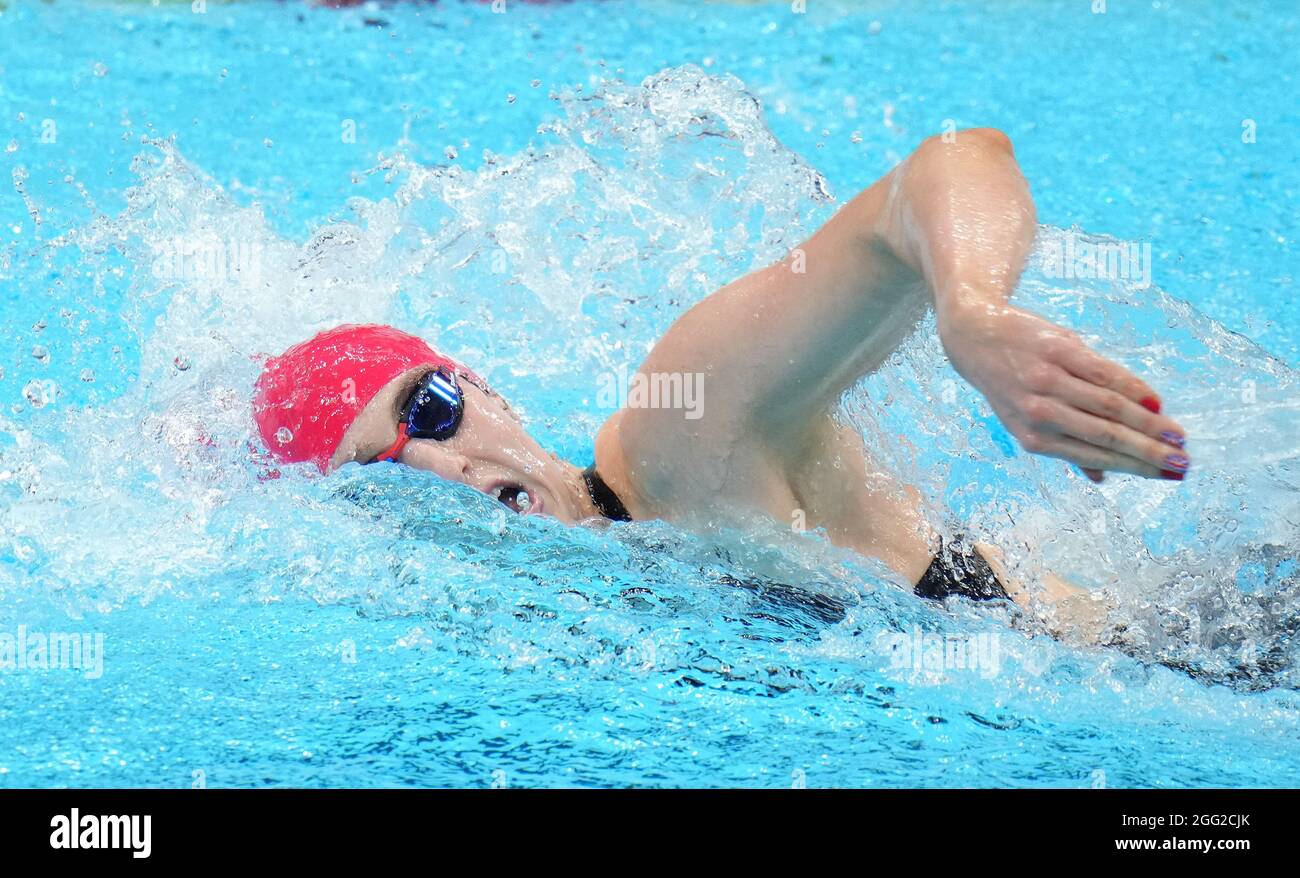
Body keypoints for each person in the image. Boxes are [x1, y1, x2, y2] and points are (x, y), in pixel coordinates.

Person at [252, 128, 1190, 628]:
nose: (437, 471)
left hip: (1213, 661)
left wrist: (974, 312)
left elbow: (949, 166)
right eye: (380, 474)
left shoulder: (680, 439)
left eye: (433, 409)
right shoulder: (549, 630)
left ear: (485, 389)